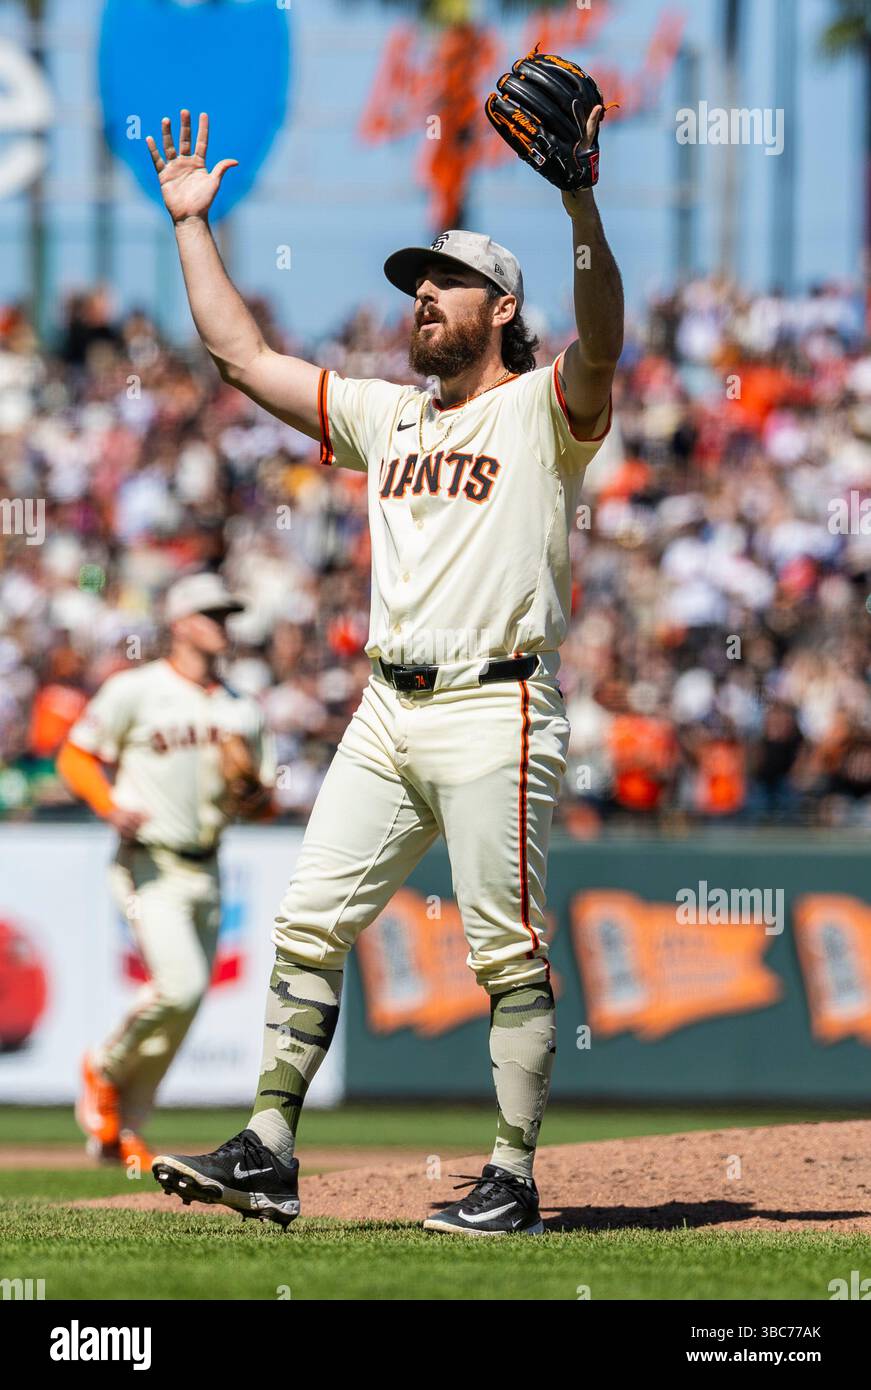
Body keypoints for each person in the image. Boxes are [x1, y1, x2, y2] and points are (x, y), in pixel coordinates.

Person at [148, 97, 622, 1234]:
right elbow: (239, 354)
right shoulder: (386, 418)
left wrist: (577, 198)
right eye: (416, 277)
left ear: (499, 308)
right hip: (384, 706)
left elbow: (602, 340)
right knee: (307, 919)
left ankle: (510, 1174)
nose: (421, 291)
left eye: (445, 279)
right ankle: (267, 1146)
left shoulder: (541, 411)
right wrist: (189, 227)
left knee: (504, 952)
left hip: (495, 702)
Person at [57, 572, 274, 1167]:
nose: (222, 626)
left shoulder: (241, 709)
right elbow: (75, 753)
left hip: (208, 867)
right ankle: (101, 1067)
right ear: (178, 623)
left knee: (188, 1003)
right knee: (179, 986)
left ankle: (124, 1127)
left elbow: (267, 805)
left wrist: (253, 792)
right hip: (148, 863)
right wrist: (108, 804)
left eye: (228, 616)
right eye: (211, 614)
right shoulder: (137, 689)